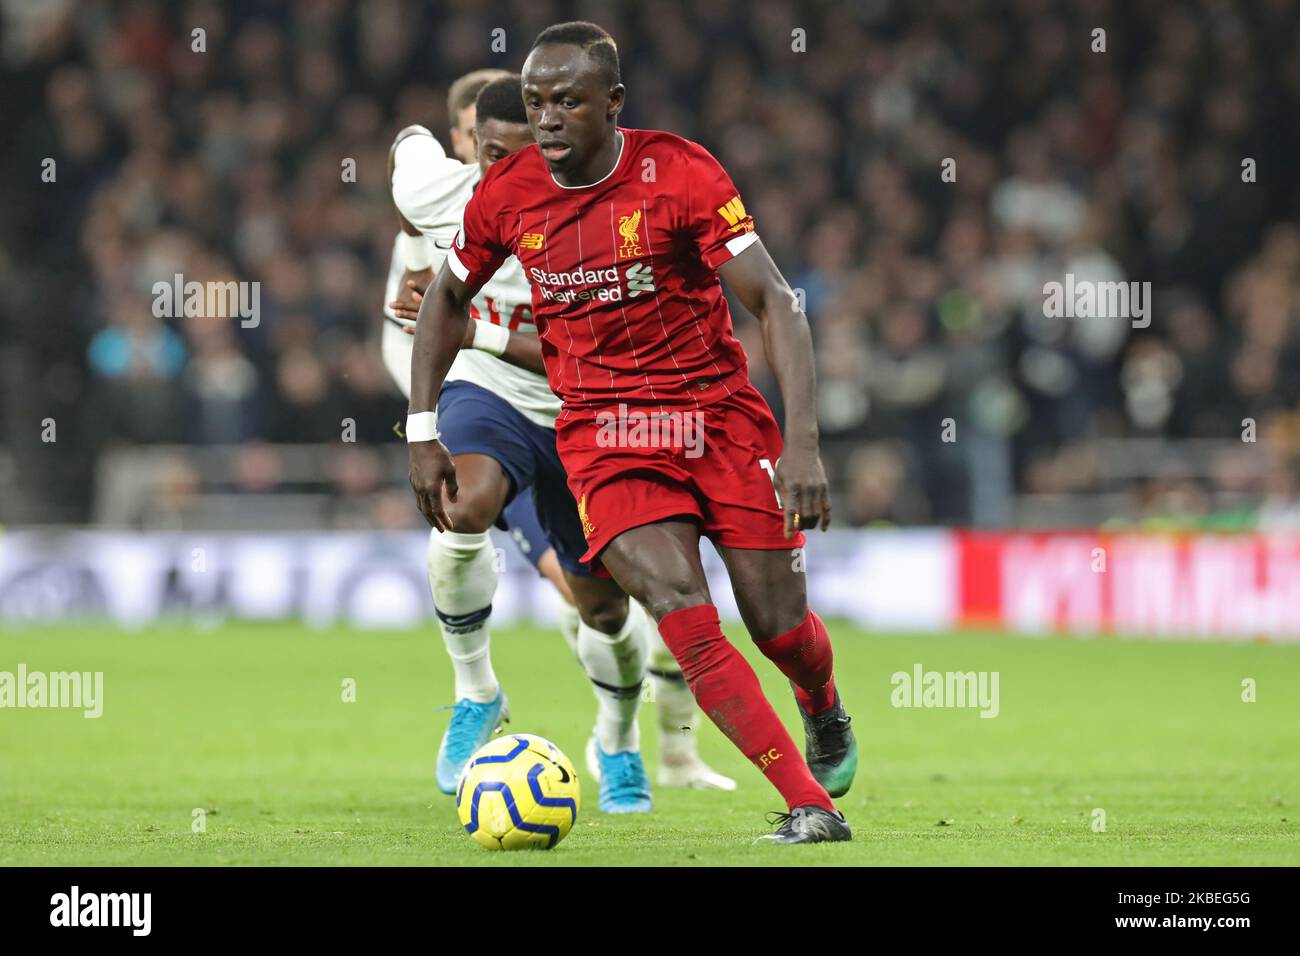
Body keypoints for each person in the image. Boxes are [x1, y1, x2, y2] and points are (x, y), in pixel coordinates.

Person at [405, 24, 856, 844]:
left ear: (612, 103)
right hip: (608, 437)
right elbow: (443, 301)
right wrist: (420, 430)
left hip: (717, 419)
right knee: (682, 611)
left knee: (778, 626)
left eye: (567, 101)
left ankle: (822, 702)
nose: (547, 119)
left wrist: (804, 444)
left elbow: (776, 302)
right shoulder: (505, 195)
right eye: (537, 101)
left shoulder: (679, 172)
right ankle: (809, 805)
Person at [383, 72, 733, 811]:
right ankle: (475, 692)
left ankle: (617, 741)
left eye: (512, 156)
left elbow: (582, 352)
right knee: (463, 503)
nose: (497, 174)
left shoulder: (592, 217)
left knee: (601, 610)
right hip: (491, 396)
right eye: (486, 153)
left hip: (587, 412)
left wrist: (475, 327)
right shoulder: (446, 193)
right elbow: (408, 146)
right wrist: (416, 240)